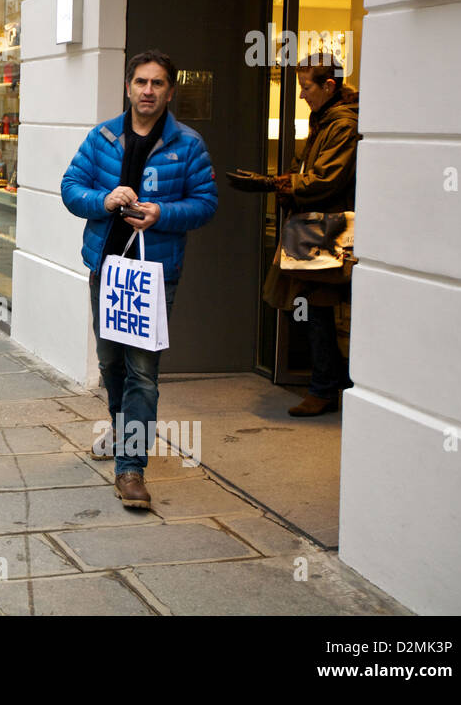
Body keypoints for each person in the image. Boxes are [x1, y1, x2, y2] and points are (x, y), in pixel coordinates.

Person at [61, 50, 218, 511]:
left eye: (158, 83)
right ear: (128, 87)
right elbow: (71, 188)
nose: (148, 90)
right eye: (141, 82)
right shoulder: (103, 136)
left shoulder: (188, 144)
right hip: (106, 271)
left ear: (170, 91)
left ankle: (131, 469)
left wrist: (162, 213)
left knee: (143, 373)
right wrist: (105, 200)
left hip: (153, 277)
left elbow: (206, 204)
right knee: (111, 364)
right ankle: (120, 424)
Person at [228, 52, 358, 417]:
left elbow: (325, 178)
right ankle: (331, 384)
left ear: (328, 85)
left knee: (318, 309)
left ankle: (326, 387)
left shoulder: (341, 123)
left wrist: (275, 183)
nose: (301, 95)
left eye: (305, 87)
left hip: (327, 230)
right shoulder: (328, 119)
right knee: (313, 308)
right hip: (318, 227)